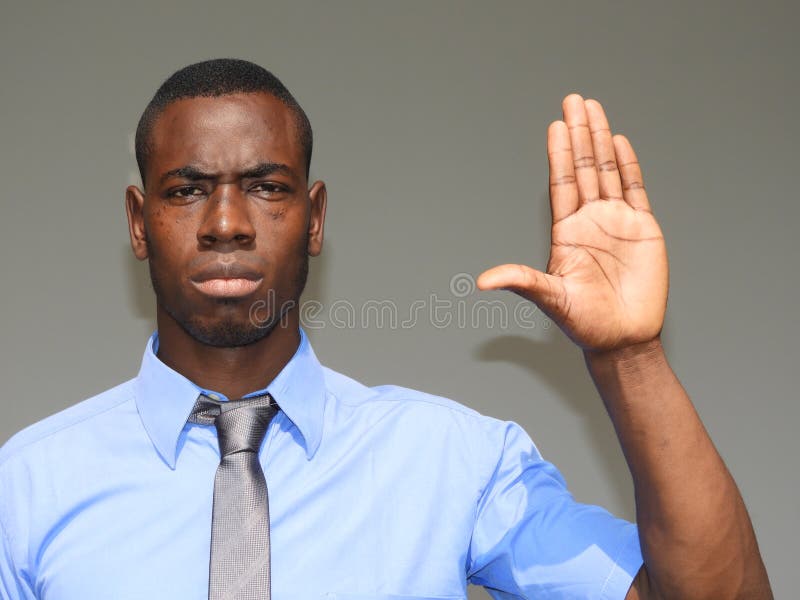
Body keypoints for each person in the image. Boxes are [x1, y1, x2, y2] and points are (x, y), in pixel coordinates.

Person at [0, 59, 771, 599]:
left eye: (266, 187)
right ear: (139, 223)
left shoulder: (456, 463)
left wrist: (631, 357)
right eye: (186, 190)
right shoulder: (25, 488)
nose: (227, 223)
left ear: (315, 218)